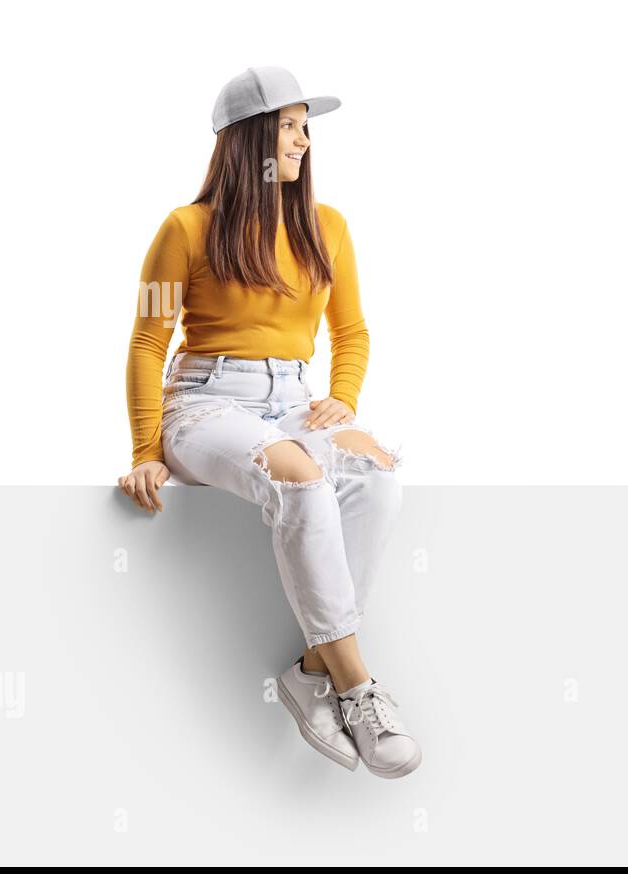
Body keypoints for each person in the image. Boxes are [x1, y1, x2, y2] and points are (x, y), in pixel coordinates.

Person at [118, 66, 419, 779]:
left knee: (375, 475)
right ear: (248, 137)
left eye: (305, 127)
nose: (304, 141)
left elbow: (353, 332)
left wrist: (341, 396)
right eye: (289, 126)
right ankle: (354, 686)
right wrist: (145, 448)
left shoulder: (329, 227)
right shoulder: (184, 229)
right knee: (300, 475)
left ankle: (309, 672)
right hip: (204, 400)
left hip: (292, 396)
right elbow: (148, 341)